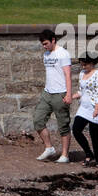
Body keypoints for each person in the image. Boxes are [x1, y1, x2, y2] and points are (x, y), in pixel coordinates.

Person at [32, 28, 73, 162]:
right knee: (38, 120)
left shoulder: (63, 54)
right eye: (42, 44)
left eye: (46, 44)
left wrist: (68, 94)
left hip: (60, 94)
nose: (44, 47)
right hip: (47, 93)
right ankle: (49, 147)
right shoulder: (46, 55)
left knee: (63, 125)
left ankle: (65, 155)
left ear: (53, 40)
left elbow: (68, 75)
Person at [71, 54, 98, 166]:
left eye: (85, 64)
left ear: (91, 63)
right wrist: (71, 97)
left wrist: (96, 109)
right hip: (83, 107)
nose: (83, 67)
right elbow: (81, 91)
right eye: (82, 64)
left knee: (94, 135)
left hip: (95, 108)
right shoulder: (82, 74)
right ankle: (89, 154)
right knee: (76, 130)